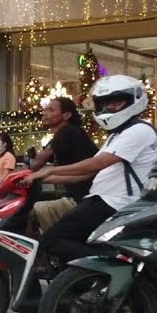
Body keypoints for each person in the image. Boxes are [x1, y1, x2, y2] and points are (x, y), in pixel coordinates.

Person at [23, 75, 157, 274]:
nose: (110, 107)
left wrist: (50, 170)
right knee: (64, 240)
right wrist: (38, 178)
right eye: (105, 103)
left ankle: (118, 272)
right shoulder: (118, 134)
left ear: (133, 101)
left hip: (115, 203)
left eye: (116, 101)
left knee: (52, 240)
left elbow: (95, 164)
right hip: (100, 200)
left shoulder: (139, 130)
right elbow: (84, 175)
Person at [27, 96, 98, 233]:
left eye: (51, 110)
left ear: (66, 115)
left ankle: (35, 253)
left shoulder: (67, 131)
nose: (45, 113)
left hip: (80, 198)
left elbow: (35, 164)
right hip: (83, 196)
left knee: (33, 214)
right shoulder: (68, 133)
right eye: (45, 109)